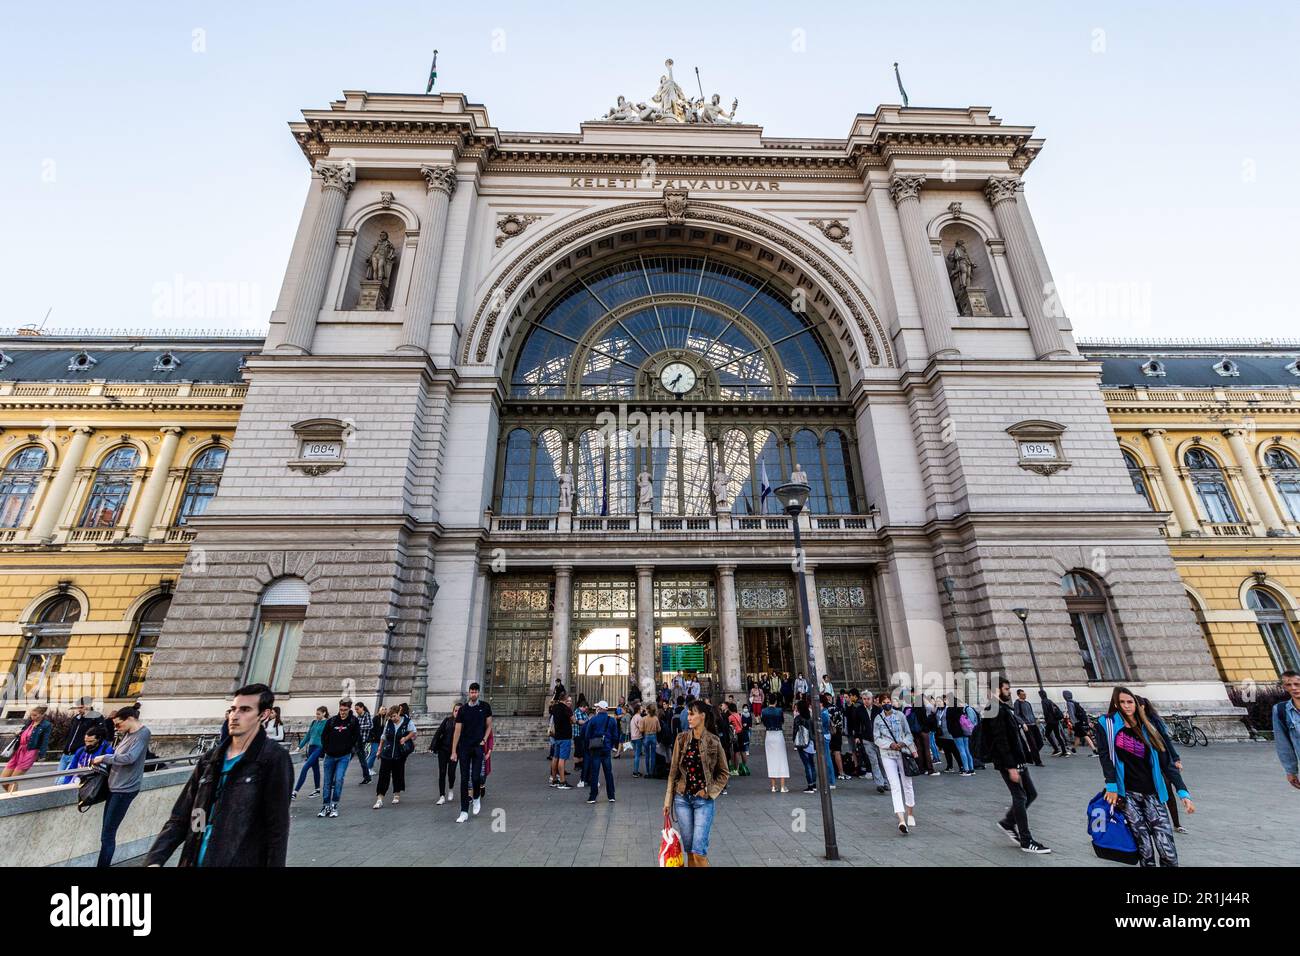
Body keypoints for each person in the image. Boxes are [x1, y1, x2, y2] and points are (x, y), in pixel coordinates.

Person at [146, 683, 292, 867]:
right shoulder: (210, 759)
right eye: (233, 709)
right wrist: (155, 860)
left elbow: (277, 828)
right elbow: (184, 816)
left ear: (263, 715)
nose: (235, 716)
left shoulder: (273, 759)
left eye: (245, 710)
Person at [1096, 687, 1194, 867]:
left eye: (1130, 702)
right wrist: (1111, 785)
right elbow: (1105, 755)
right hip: (1128, 796)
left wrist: (1183, 793)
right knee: (1145, 849)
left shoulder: (1149, 727)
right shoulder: (1107, 724)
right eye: (1122, 702)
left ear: (1136, 703)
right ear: (1116, 704)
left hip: (1153, 794)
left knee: (1167, 851)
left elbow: (1167, 764)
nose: (1127, 706)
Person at [985, 678, 1051, 853]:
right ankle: (1026, 840)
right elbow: (1001, 740)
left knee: (1031, 793)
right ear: (996, 690)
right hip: (1010, 763)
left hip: (1017, 759)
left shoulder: (1003, 708)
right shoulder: (994, 709)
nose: (1009, 692)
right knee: (1020, 796)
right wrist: (1011, 766)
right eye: (1006, 689)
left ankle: (1008, 822)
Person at [664, 699, 730, 867]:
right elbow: (673, 773)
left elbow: (724, 773)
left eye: (692, 714)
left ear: (702, 716)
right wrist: (667, 801)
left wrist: (710, 791)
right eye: (689, 713)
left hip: (703, 801)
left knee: (699, 852)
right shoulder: (682, 739)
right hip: (682, 799)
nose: (689, 717)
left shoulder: (714, 741)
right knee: (690, 853)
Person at [91, 705, 150, 867]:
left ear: (130, 719)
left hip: (124, 790)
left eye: (118, 724)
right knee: (106, 833)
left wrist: (104, 757)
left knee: (107, 835)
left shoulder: (142, 733)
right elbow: (120, 754)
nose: (117, 728)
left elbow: (129, 758)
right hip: (115, 787)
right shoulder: (128, 734)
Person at [1140, 697, 1191, 833]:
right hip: (1146, 766)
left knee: (1168, 791)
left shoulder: (1154, 723)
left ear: (1143, 707)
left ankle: (1176, 823)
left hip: (1162, 761)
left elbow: (1166, 742)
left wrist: (1176, 758)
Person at [873, 693, 919, 834]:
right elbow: (876, 738)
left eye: (889, 701)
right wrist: (890, 744)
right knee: (895, 786)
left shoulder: (900, 716)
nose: (887, 703)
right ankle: (901, 819)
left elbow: (908, 733)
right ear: (880, 703)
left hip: (902, 752)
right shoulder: (878, 719)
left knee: (907, 783)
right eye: (884, 702)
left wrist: (903, 743)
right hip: (887, 753)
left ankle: (910, 812)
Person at [450, 682, 493, 823]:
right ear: (469, 693)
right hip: (464, 747)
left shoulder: (485, 707)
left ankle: (476, 797)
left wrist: (484, 740)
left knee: (475, 777)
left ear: (478, 693)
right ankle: (463, 811)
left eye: (475, 692)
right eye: (471, 692)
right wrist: (453, 751)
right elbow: (457, 730)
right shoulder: (462, 710)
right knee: (463, 779)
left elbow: (489, 725)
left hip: (478, 747)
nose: (473, 694)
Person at [317, 699, 359, 818]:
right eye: (341, 709)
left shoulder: (353, 721)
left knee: (339, 779)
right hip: (330, 756)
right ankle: (326, 805)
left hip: (343, 756)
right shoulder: (332, 721)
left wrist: (348, 749)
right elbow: (324, 736)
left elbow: (355, 737)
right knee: (327, 781)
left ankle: (334, 805)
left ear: (349, 709)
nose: (342, 712)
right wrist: (326, 749)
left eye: (345, 710)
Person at [372, 705, 416, 808]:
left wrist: (405, 738)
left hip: (399, 753)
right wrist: (379, 749)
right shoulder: (389, 723)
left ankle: (396, 794)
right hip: (387, 751)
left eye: (394, 716)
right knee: (383, 775)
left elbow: (413, 732)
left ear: (399, 713)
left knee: (398, 774)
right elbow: (383, 736)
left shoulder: (407, 722)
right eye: (391, 717)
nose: (393, 719)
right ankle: (379, 799)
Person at [2, 704, 51, 793]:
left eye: (35, 715)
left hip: (30, 752)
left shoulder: (46, 725)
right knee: (3, 780)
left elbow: (45, 741)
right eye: (31, 715)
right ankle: (13, 797)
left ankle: (12, 801)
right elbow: (23, 732)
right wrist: (18, 733)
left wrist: (42, 755)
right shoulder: (29, 722)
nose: (32, 717)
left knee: (13, 780)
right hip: (19, 750)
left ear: (42, 714)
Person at [57, 697, 103, 784]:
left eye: (82, 707)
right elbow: (70, 733)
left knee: (62, 781)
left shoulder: (96, 717)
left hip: (77, 753)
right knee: (57, 780)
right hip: (66, 752)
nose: (79, 710)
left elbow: (100, 733)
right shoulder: (77, 718)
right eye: (78, 707)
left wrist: (87, 716)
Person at [584, 700, 619, 803]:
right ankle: (611, 796)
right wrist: (610, 744)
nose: (597, 708)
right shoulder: (611, 720)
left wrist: (589, 745)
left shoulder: (593, 719)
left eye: (598, 707)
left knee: (595, 773)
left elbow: (587, 735)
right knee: (608, 772)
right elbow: (616, 736)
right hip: (606, 749)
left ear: (600, 708)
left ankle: (593, 796)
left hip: (595, 749)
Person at [292, 706, 327, 799]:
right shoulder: (314, 722)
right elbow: (308, 736)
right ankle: (317, 790)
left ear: (324, 713)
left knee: (305, 767)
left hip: (319, 748)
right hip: (311, 748)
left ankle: (295, 792)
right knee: (315, 769)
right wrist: (299, 747)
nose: (317, 715)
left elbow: (328, 737)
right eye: (316, 713)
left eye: (318, 714)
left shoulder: (326, 723)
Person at [1273, 670, 1300, 790]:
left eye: (1297, 684)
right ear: (1284, 687)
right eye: (1289, 685)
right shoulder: (1280, 710)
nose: (1293, 688)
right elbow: (1283, 743)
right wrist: (1290, 771)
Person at [431, 703, 460, 803]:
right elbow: (438, 732)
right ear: (453, 711)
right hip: (443, 750)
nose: (457, 712)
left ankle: (451, 788)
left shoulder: (463, 723)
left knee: (451, 772)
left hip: (455, 751)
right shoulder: (447, 721)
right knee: (442, 772)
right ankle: (442, 795)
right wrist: (433, 745)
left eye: (459, 711)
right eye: (455, 710)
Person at [760, 700, 789, 792]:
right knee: (782, 759)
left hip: (769, 734)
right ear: (776, 702)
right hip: (778, 733)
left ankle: (773, 786)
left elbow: (763, 722)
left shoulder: (764, 711)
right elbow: (782, 721)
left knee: (771, 759)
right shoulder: (779, 710)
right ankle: (782, 786)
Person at [1013, 690, 1044, 766]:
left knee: (1040, 742)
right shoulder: (1017, 703)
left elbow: (1031, 713)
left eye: (1025, 694)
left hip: (1034, 724)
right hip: (1027, 726)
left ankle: (1031, 755)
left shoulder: (1027, 703)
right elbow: (1016, 715)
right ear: (1018, 695)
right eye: (1023, 694)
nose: (1024, 695)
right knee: (1032, 744)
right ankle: (1038, 761)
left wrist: (1036, 720)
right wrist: (1023, 723)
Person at [1062, 690, 1098, 755]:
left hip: (1077, 722)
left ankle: (1094, 750)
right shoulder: (1074, 701)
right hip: (1081, 720)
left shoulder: (1069, 703)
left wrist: (1073, 723)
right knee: (1077, 736)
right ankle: (1074, 749)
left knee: (1085, 735)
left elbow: (1071, 714)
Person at [793, 699, 818, 792]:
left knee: (807, 765)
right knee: (812, 764)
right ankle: (814, 784)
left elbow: (795, 732)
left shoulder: (798, 718)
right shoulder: (810, 718)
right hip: (811, 742)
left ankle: (810, 785)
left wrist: (794, 741)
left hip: (802, 743)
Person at [549, 694, 573, 787]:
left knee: (555, 758)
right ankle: (562, 781)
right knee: (562, 759)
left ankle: (554, 779)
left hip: (557, 736)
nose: (570, 702)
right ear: (565, 700)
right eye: (569, 700)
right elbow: (573, 720)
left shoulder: (555, 707)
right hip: (565, 737)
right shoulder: (566, 709)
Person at [1040, 690, 1070, 755]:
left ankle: (1056, 749)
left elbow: (1046, 712)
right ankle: (1063, 750)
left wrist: (1046, 719)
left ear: (1041, 695)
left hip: (1050, 721)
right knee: (1058, 735)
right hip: (1055, 720)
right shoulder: (1050, 700)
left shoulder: (1043, 701)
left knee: (1047, 734)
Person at [352, 702, 374, 785]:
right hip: (356, 740)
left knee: (362, 760)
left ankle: (367, 777)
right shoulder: (358, 717)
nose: (356, 711)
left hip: (362, 741)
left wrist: (359, 727)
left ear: (362, 708)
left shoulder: (366, 715)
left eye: (357, 709)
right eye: (355, 709)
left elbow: (370, 725)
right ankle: (367, 778)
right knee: (361, 760)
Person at [639, 702, 660, 778]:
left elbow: (641, 729)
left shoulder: (644, 719)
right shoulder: (655, 718)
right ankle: (652, 771)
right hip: (654, 736)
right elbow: (659, 729)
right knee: (653, 755)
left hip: (647, 736)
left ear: (647, 710)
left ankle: (648, 772)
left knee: (647, 755)